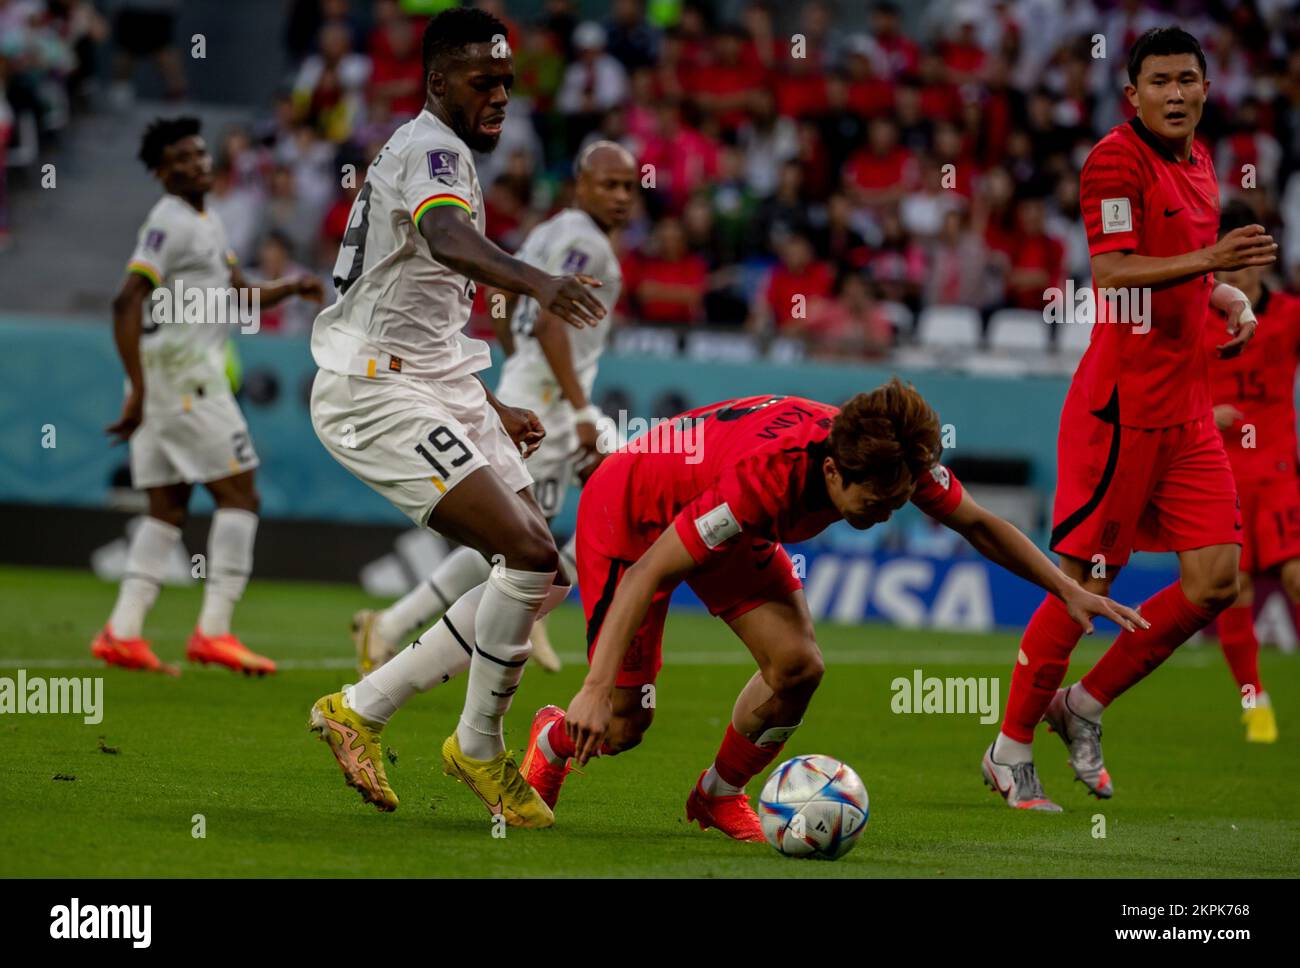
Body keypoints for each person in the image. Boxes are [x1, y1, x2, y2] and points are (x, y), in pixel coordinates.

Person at [521, 383, 1145, 841]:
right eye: (872, 505)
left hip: (725, 526)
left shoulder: (894, 462)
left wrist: (1066, 588)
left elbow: (977, 524)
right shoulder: (767, 477)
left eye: (897, 505)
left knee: (798, 667)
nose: (885, 515)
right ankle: (552, 739)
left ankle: (718, 795)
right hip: (634, 517)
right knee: (625, 725)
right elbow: (653, 569)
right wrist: (597, 687)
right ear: (829, 471)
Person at [305, 8, 605, 830]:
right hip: (372, 391)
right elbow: (444, 239)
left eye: (507, 79)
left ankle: (360, 708)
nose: (500, 93)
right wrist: (539, 281)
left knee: (547, 575)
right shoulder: (434, 150)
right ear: (438, 79)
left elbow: (426, 301)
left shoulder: (445, 153)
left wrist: (490, 403)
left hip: (432, 383)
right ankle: (478, 744)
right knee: (530, 550)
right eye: (483, 79)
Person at [984, 28, 1277, 811]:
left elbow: (1175, 263)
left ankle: (1082, 704)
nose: (1177, 93)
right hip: (1122, 410)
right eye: (1161, 82)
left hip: (1185, 411)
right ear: (1134, 94)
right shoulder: (1115, 160)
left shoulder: (1200, 160)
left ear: (1208, 89)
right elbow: (1113, 273)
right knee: (1081, 581)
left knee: (1216, 580)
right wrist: (1214, 265)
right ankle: (1009, 751)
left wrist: (1224, 294)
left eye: (1189, 79)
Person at [351, 140, 636, 676]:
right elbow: (552, 321)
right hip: (551, 402)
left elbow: (500, 294)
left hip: (534, 383)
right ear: (581, 184)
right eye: (609, 185)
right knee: (587, 512)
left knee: (531, 533)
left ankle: (394, 624)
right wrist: (579, 412)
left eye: (628, 187)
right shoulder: (587, 245)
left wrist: (518, 355)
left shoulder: (550, 231)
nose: (621, 197)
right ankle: (400, 627)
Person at [94, 117, 323, 676]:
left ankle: (122, 632)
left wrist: (292, 286)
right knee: (242, 495)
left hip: (174, 380)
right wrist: (141, 391)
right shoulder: (169, 222)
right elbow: (126, 302)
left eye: (200, 154)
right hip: (182, 381)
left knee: (167, 509)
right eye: (181, 158)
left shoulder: (208, 220)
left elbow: (240, 292)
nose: (196, 164)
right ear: (159, 171)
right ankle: (214, 631)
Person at [1207, 201, 1294, 744]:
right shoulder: (1198, 317)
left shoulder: (1290, 314)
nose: (1236, 266)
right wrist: (1203, 414)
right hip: (1220, 471)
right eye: (1228, 254)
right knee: (1232, 588)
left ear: (1262, 257)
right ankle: (1254, 701)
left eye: (1246, 253)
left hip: (1280, 469)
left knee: (1295, 578)